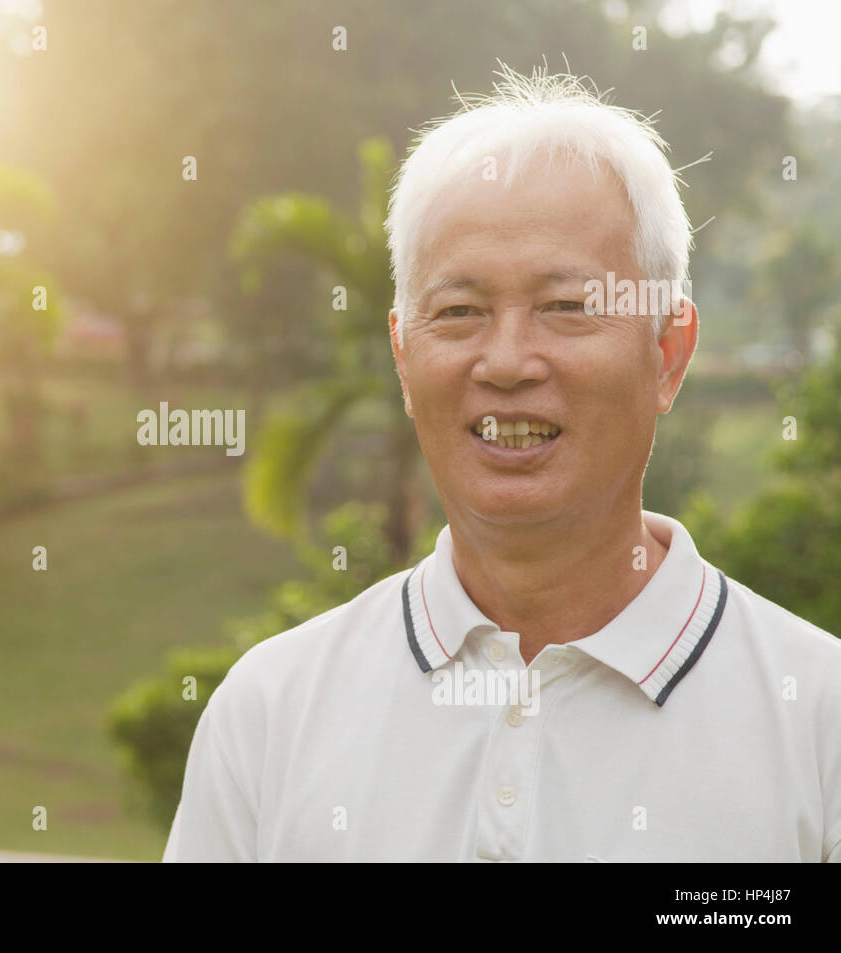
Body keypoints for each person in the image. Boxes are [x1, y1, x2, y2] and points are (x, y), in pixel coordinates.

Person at [162, 67, 841, 862]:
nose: (509, 361)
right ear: (403, 355)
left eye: (567, 306)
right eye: (459, 312)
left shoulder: (818, 722)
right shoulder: (270, 712)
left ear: (667, 352)